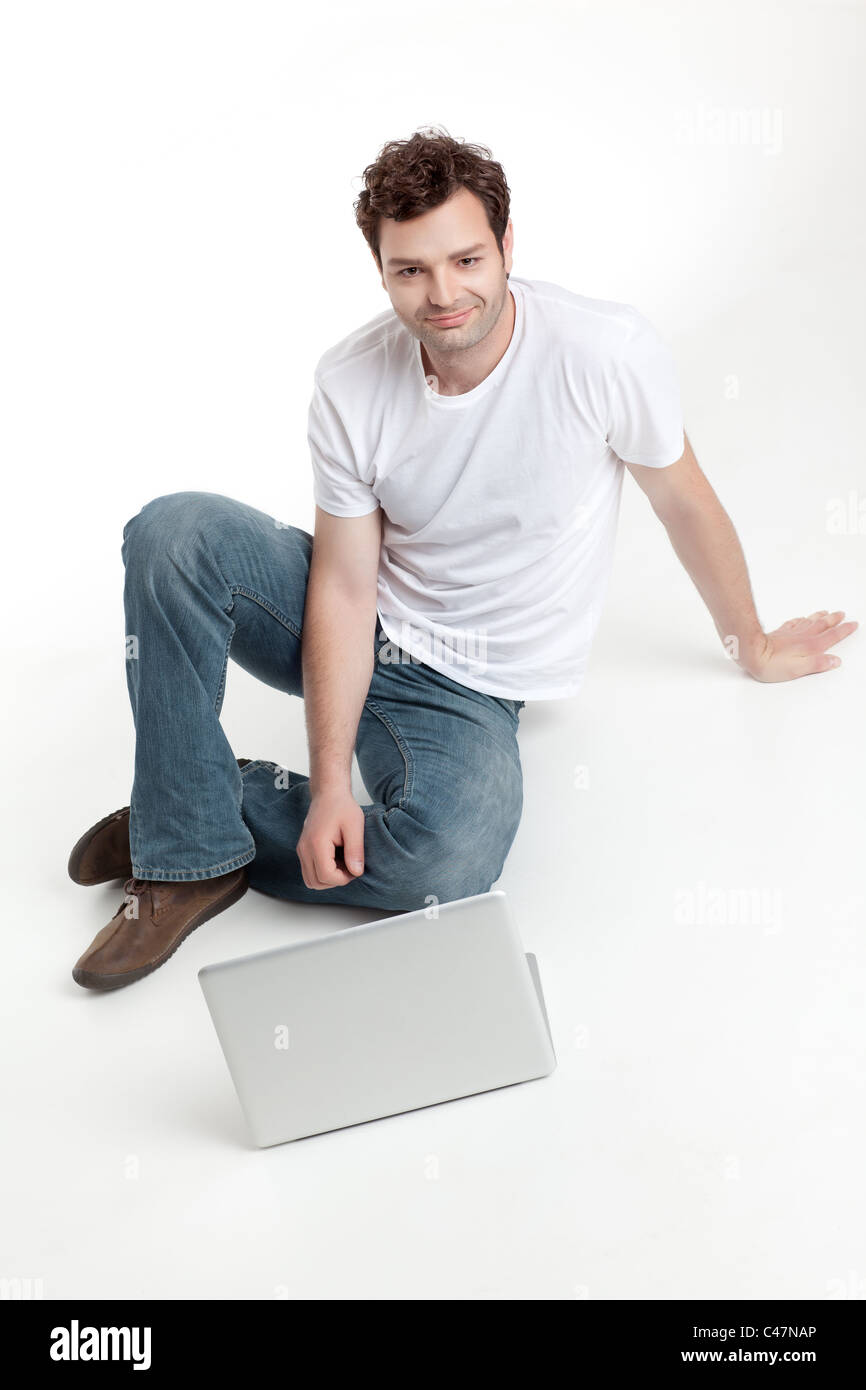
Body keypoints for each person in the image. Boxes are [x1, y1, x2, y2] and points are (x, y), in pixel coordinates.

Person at [67, 125, 858, 991]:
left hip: (473, 684)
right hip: (364, 620)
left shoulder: (604, 352)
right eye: (411, 270)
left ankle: (189, 803)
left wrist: (752, 642)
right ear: (380, 270)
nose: (444, 294)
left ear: (507, 246)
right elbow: (341, 579)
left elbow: (685, 503)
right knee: (173, 534)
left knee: (448, 867)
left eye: (467, 261)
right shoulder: (350, 382)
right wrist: (331, 783)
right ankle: (189, 858)